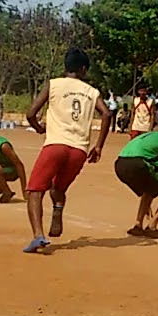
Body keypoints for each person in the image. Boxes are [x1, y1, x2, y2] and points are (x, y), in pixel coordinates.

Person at [22, 47, 112, 254]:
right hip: (79, 149)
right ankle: (58, 209)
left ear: (66, 66)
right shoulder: (92, 91)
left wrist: (38, 128)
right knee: (58, 188)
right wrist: (98, 146)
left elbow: (30, 113)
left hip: (56, 144)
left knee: (35, 190)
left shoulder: (53, 84)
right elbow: (106, 114)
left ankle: (38, 236)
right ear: (83, 69)